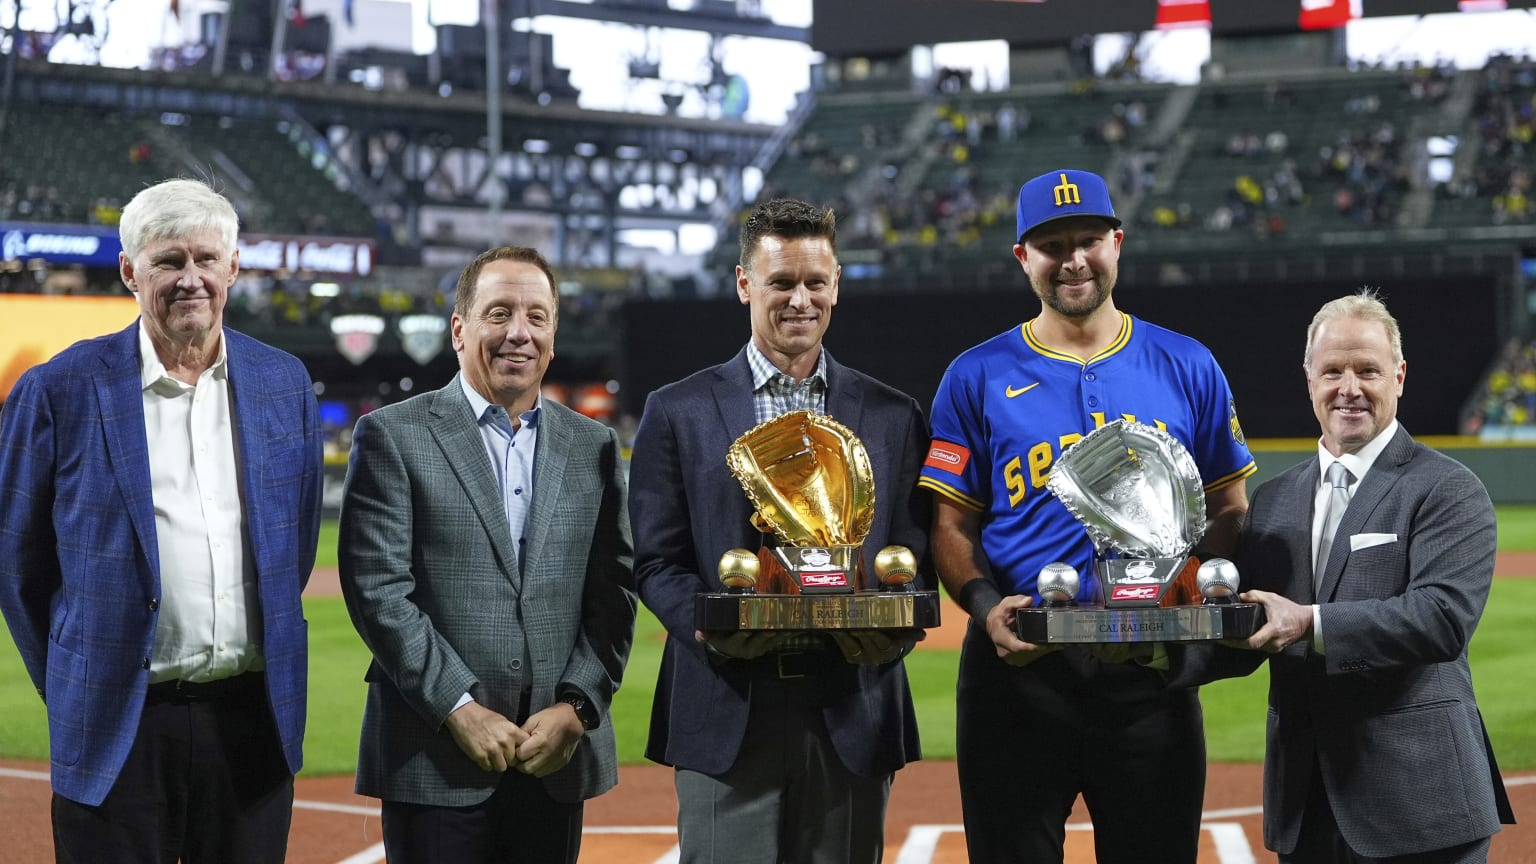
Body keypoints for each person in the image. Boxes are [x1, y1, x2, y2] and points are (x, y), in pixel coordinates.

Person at [919, 168, 1256, 863]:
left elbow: (1230, 505)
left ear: (1117, 242)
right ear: (1023, 257)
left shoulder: (1186, 364)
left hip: (1149, 676)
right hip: (1017, 679)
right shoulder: (975, 375)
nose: (1073, 259)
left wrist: (1185, 600)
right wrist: (985, 609)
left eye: (1089, 240)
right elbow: (950, 525)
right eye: (1052, 244)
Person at [0, 178, 323, 862]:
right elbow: (17, 563)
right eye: (168, 262)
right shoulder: (57, 389)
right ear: (129, 272)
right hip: (118, 723)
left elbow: (290, 548)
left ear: (234, 268)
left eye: (207, 260)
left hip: (250, 724)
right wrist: (76, 672)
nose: (191, 279)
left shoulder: (283, 383)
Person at [629, 197, 931, 863]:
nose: (800, 300)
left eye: (814, 283)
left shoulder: (893, 415)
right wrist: (712, 621)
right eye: (781, 283)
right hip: (727, 702)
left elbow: (915, 551)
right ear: (744, 284)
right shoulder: (676, 411)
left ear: (836, 285)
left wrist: (887, 620)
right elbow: (655, 561)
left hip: (852, 704)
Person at [1179, 291, 1515, 863]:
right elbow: (1249, 633)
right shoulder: (1274, 500)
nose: (1349, 388)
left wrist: (1308, 622)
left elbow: (1440, 620)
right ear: (1309, 379)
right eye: (1332, 370)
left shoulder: (1447, 487)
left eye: (1368, 370)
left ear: (1399, 377)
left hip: (1420, 805)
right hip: (1305, 806)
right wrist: (1149, 646)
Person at [337, 245, 635, 864]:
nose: (518, 334)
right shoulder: (394, 434)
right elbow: (378, 592)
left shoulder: (594, 446)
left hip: (552, 756)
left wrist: (578, 706)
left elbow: (615, 591)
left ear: (553, 333)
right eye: (498, 314)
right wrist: (460, 709)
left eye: (536, 316)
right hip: (434, 756)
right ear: (459, 328)